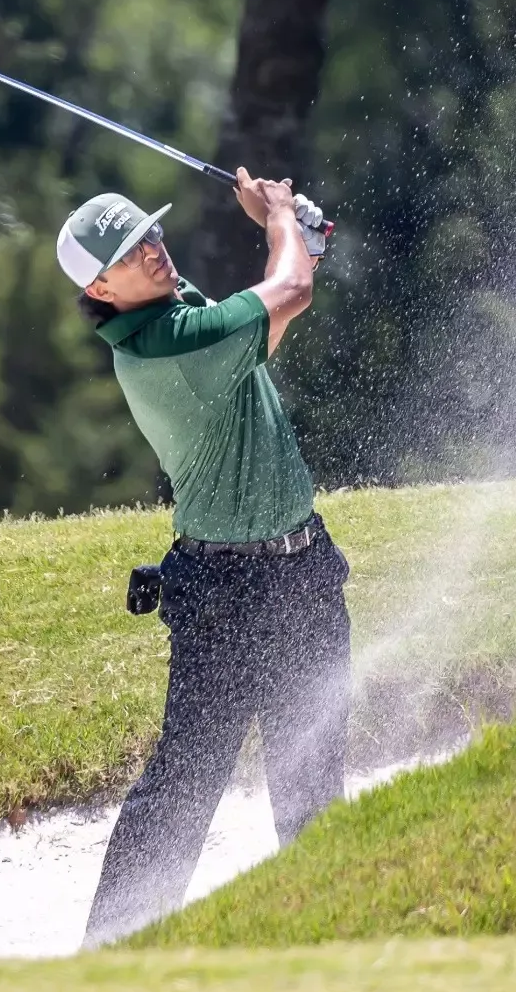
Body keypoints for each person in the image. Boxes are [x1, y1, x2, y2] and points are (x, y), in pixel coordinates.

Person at [56, 170, 350, 948]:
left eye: (149, 233)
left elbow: (272, 316)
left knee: (313, 784)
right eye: (129, 252)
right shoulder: (167, 350)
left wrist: (292, 239)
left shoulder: (178, 312)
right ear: (101, 288)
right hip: (226, 591)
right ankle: (106, 962)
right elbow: (287, 294)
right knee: (183, 791)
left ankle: (339, 959)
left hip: (303, 571)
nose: (153, 250)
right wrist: (282, 219)